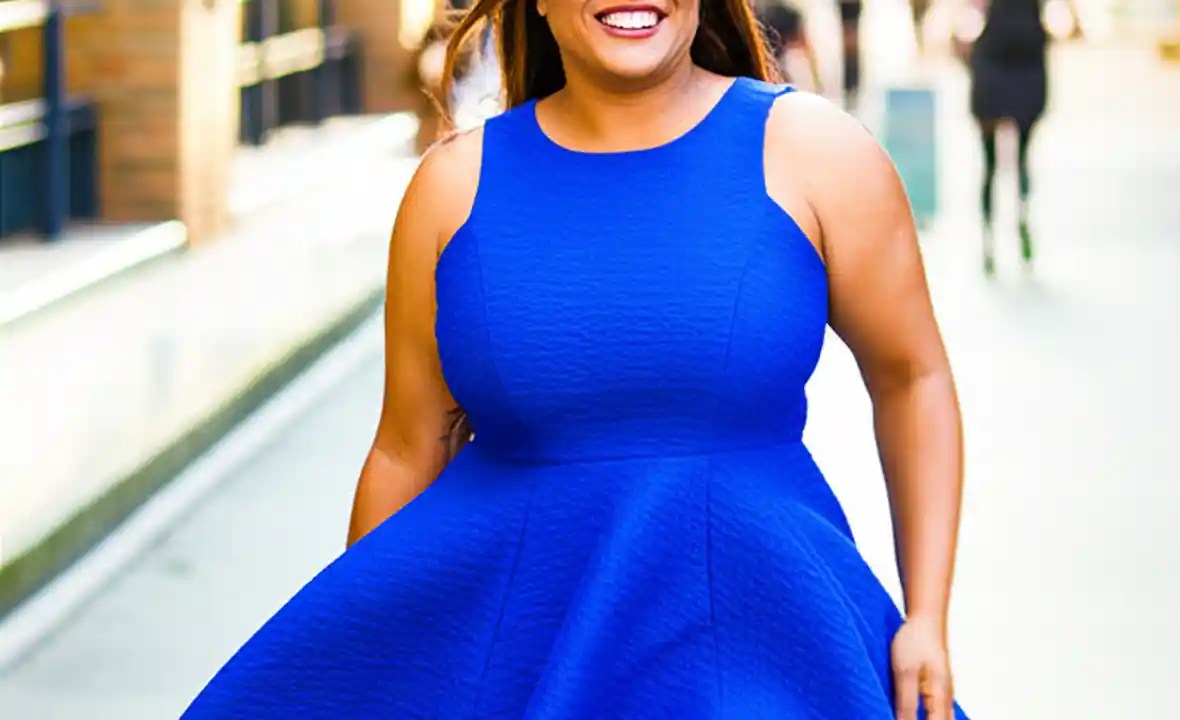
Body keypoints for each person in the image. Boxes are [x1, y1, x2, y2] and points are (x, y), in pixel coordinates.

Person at [184, 0, 969, 716]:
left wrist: (926, 615)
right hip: (523, 655)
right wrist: (372, 660)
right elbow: (405, 445)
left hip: (768, 639)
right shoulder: (451, 190)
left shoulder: (817, 154)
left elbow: (913, 377)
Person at [965, 0, 1048, 273]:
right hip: (1026, 61)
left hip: (996, 63)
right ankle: (1018, 218)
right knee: (1021, 158)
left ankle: (990, 235)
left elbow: (968, 13)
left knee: (990, 162)